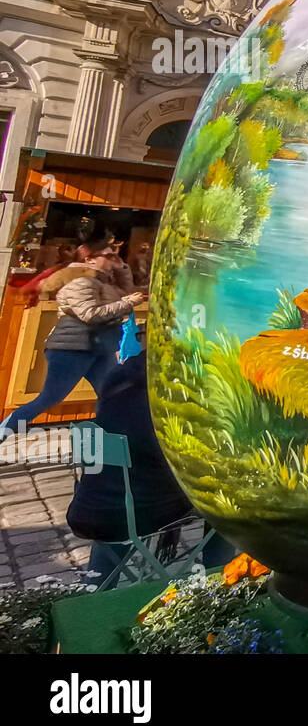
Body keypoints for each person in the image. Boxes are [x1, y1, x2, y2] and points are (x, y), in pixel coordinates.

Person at [67, 352, 236, 588]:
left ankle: (95, 590)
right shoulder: (171, 397)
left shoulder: (118, 377)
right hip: (141, 512)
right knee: (227, 507)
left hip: (90, 507)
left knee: (122, 494)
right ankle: (220, 583)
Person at [0, 240, 146, 442]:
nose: (113, 258)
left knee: (113, 393)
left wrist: (121, 267)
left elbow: (125, 292)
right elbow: (90, 314)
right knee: (50, 398)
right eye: (108, 255)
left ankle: (119, 440)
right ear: (90, 260)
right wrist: (127, 303)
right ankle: (3, 431)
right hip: (73, 348)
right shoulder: (80, 281)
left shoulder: (103, 282)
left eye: (115, 255)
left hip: (99, 347)